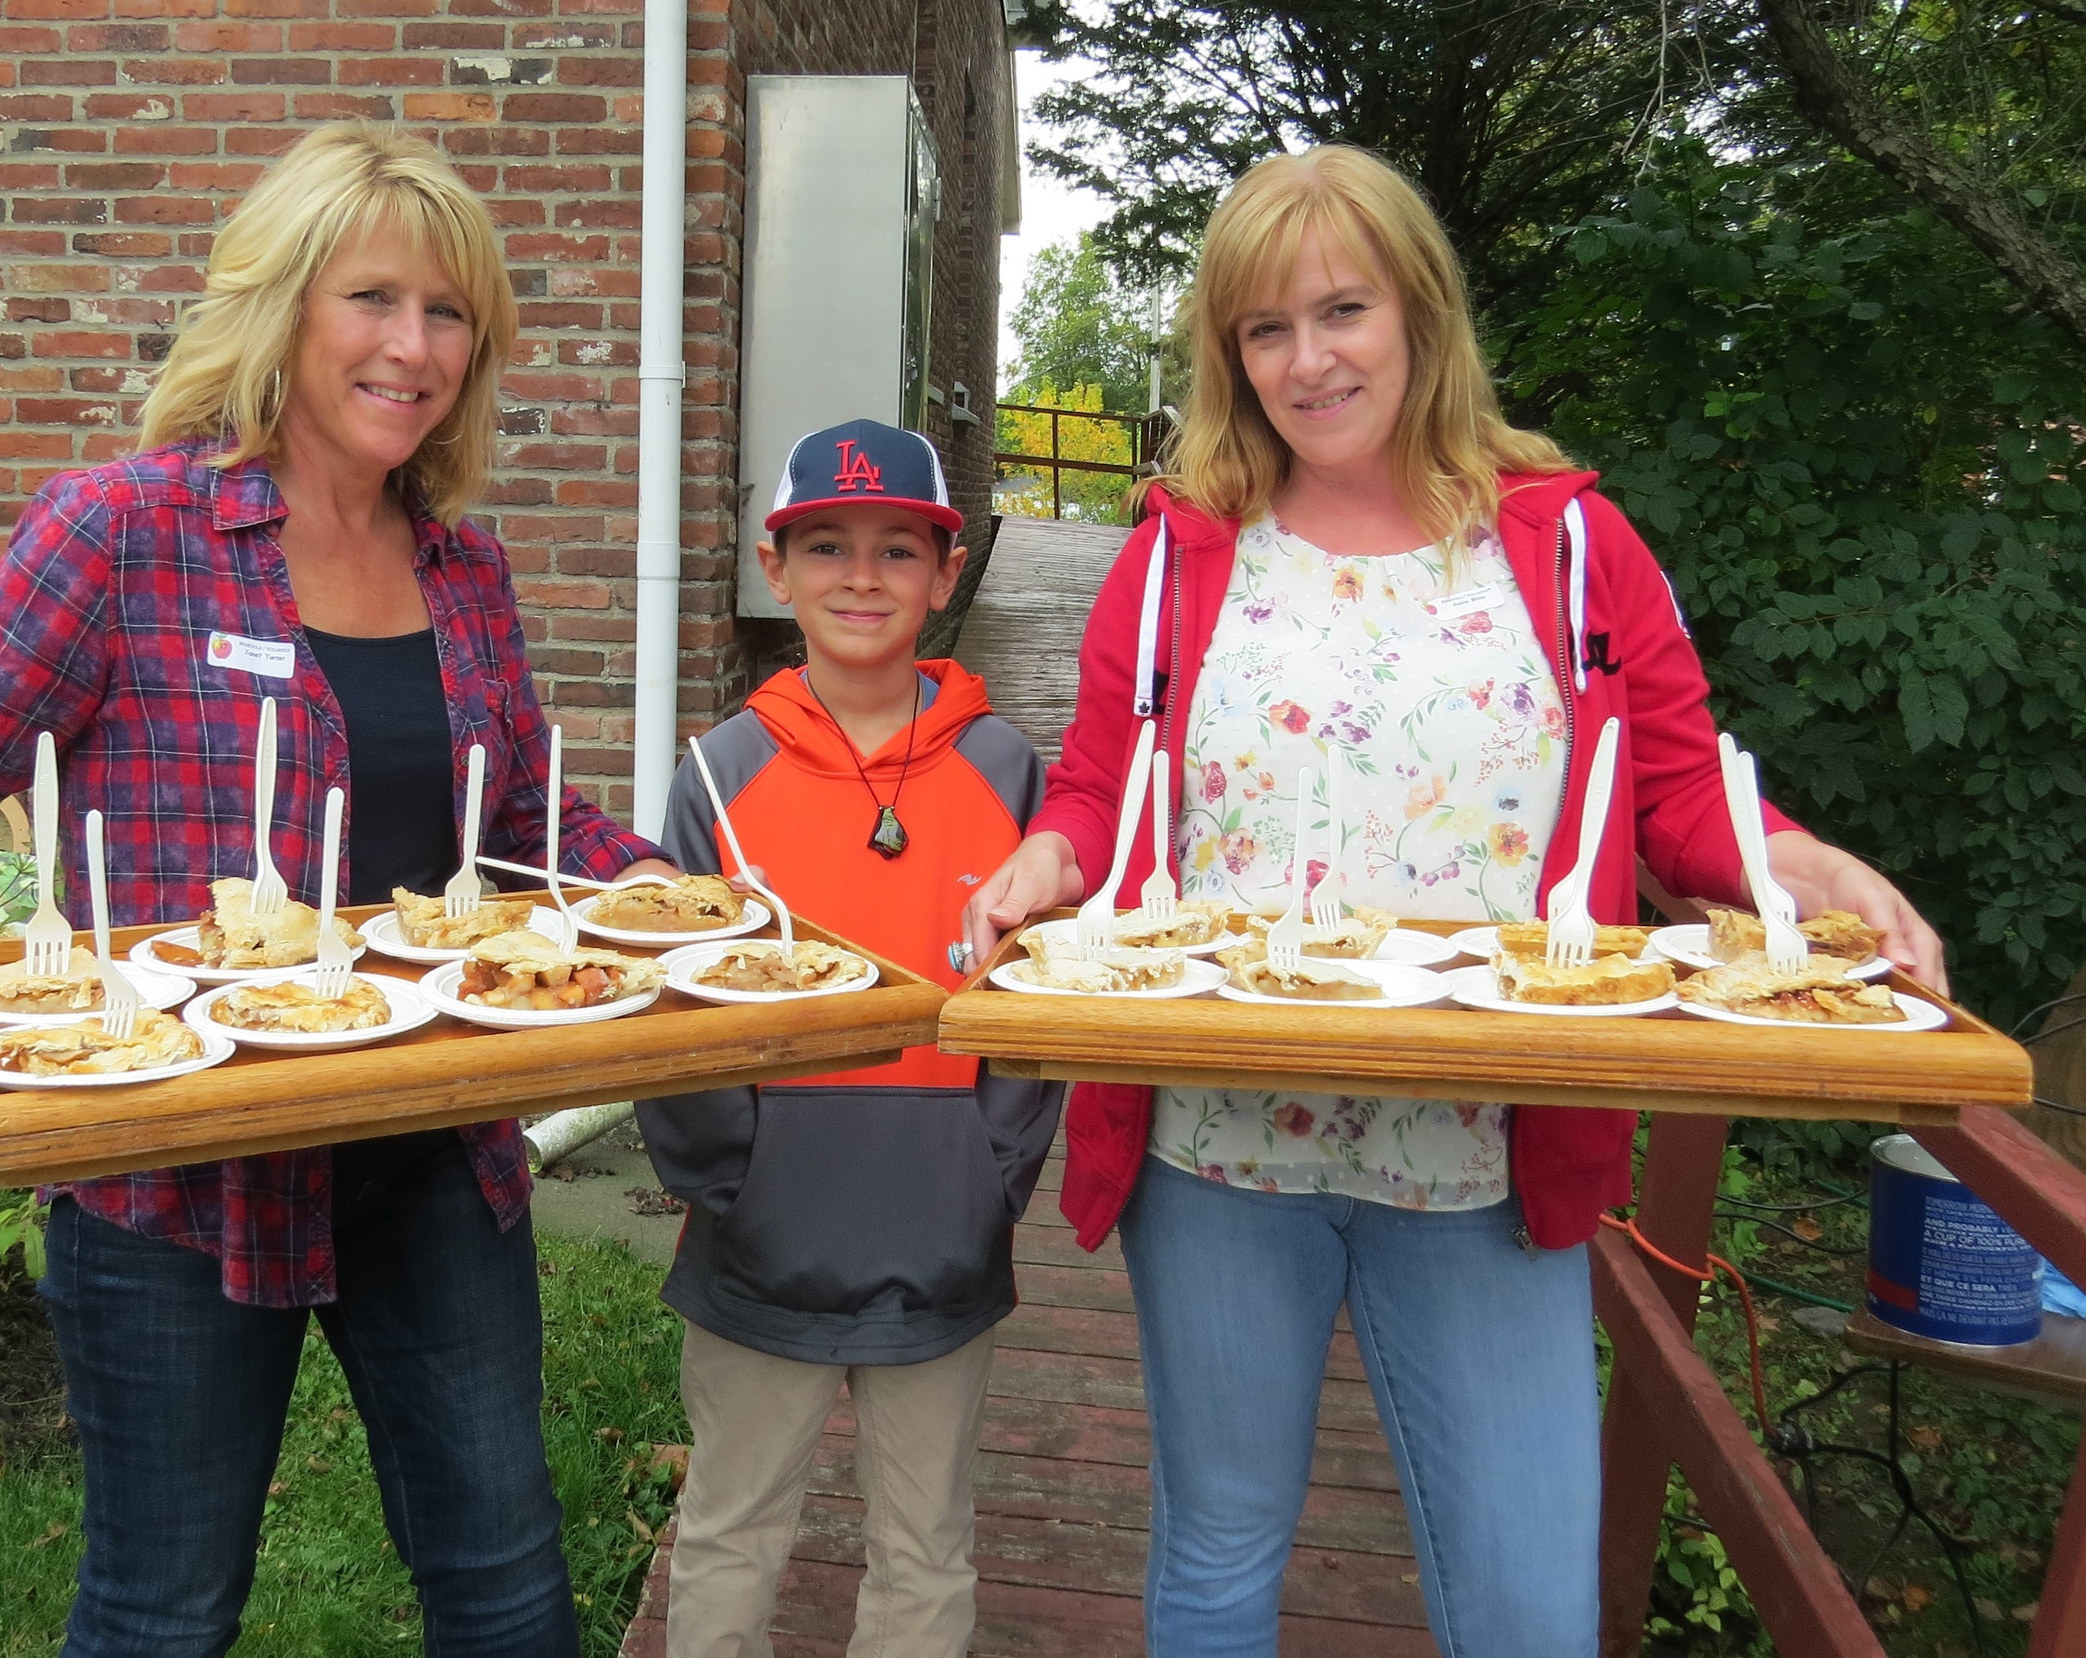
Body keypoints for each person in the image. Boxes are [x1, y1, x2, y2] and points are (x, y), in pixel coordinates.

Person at [959, 147, 1946, 1658]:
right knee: (1219, 1556)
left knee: (1531, 1602)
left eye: (1340, 309)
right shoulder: (1176, 555)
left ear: (1419, 310)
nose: (1307, 358)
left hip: (1485, 1138)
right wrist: (1046, 856)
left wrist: (1797, 866)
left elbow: (1678, 793)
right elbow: (1106, 792)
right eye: (1264, 329)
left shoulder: (1565, 547)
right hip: (1222, 1135)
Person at [0, 123, 676, 1658]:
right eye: (373, 298)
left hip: (430, 1151)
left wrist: (690, 904)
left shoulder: (463, 572)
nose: (414, 346)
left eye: (449, 312)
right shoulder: (122, 533)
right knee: (162, 1611)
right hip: (171, 1177)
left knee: (511, 1589)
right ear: (279, 308)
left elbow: (522, 824)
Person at [636, 419, 1064, 1658]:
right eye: (827, 545)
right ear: (778, 568)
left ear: (944, 573)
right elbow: (675, 988)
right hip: (760, 1230)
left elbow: (1028, 1010)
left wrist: (993, 1176)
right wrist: (726, 1173)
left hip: (941, 1229)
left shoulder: (1005, 768)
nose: (862, 577)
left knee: (926, 1542)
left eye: (897, 548)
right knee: (730, 1525)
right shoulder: (720, 773)